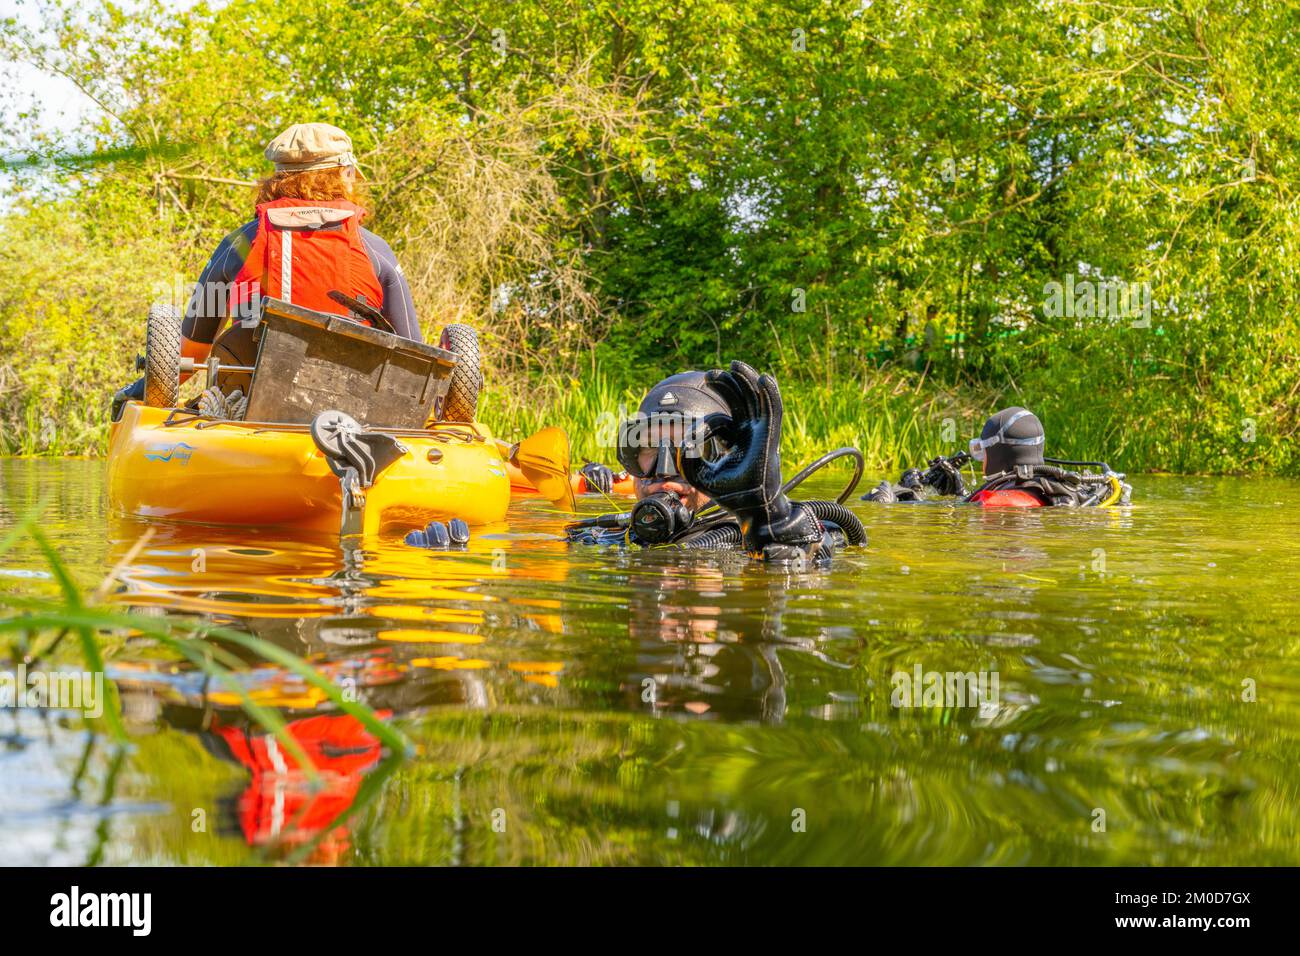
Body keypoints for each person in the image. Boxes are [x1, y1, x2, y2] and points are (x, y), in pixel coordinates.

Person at [113, 122, 419, 413]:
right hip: (352, 412)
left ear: (275, 180)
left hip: (249, 410)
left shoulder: (238, 244)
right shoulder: (376, 250)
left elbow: (189, 356)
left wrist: (136, 391)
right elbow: (414, 357)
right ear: (346, 175)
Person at [565, 361, 867, 563]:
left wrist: (770, 525)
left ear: (730, 459)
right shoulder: (601, 539)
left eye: (690, 448)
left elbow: (817, 568)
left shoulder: (778, 533)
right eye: (649, 447)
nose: (665, 470)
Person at [863, 406, 1131, 507]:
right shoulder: (1059, 488)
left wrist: (900, 498)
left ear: (996, 451)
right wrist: (960, 493)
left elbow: (980, 510)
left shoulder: (993, 500)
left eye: (982, 450)